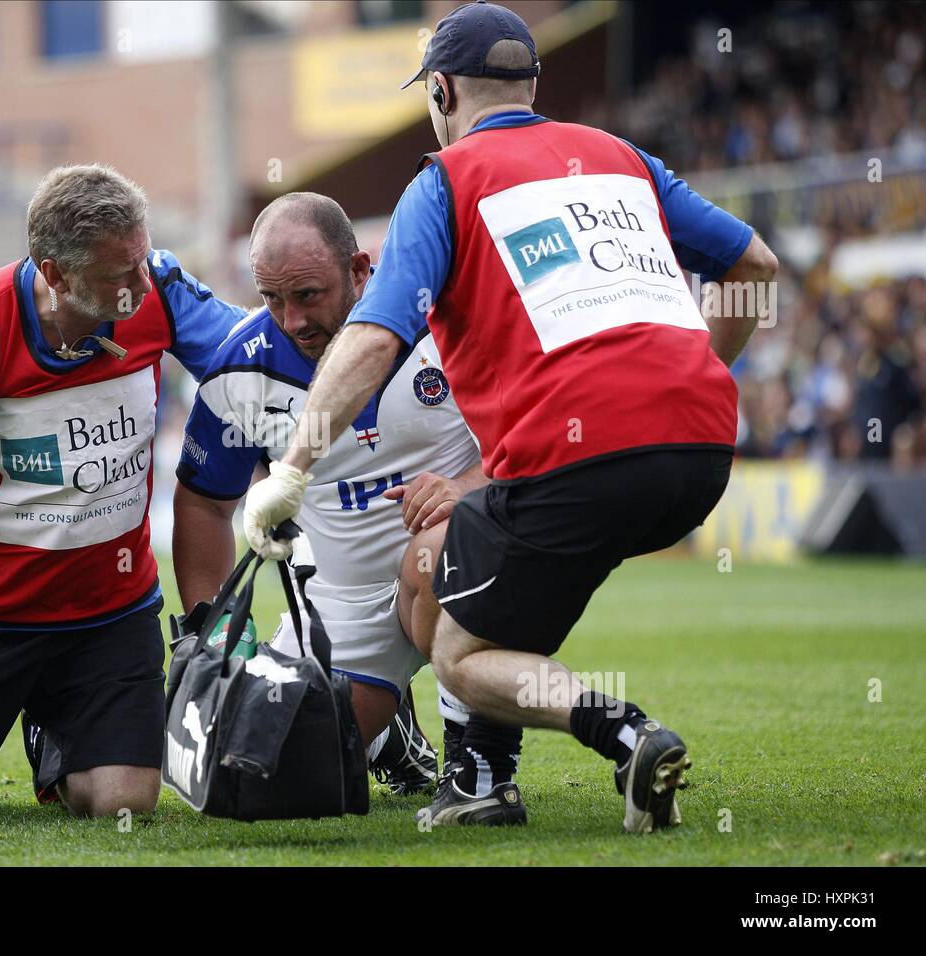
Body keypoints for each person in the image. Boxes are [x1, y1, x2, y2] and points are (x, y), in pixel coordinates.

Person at [241, 2, 778, 832]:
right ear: (532, 82)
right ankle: (481, 785)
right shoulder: (619, 156)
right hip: (703, 452)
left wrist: (292, 468)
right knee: (432, 563)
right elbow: (754, 261)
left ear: (443, 92)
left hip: (583, 464)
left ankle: (624, 734)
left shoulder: (447, 180)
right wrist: (702, 373)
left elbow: (373, 338)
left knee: (458, 656)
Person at [0, 164, 247, 822]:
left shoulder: (159, 287)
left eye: (141, 262)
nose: (138, 287)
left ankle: (51, 733)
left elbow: (251, 355)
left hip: (107, 615)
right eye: (116, 276)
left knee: (123, 802)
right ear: (55, 273)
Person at [172, 192, 526, 820]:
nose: (292, 320)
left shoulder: (449, 323)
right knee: (254, 787)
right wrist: (209, 629)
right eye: (272, 298)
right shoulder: (237, 371)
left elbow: (533, 434)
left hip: (459, 569)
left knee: (434, 558)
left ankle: (478, 769)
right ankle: (390, 735)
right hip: (342, 609)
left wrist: (467, 487)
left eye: (309, 295)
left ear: (362, 271)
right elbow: (202, 505)